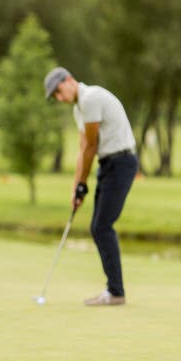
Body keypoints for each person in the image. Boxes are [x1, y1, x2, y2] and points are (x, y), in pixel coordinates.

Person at [44, 67, 137, 306]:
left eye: (58, 91)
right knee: (99, 227)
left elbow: (91, 147)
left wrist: (83, 181)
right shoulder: (79, 108)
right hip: (108, 165)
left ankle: (116, 292)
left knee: (102, 226)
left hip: (121, 162)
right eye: (55, 96)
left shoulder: (91, 98)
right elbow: (82, 148)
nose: (59, 98)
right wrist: (77, 187)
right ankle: (114, 290)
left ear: (69, 80)